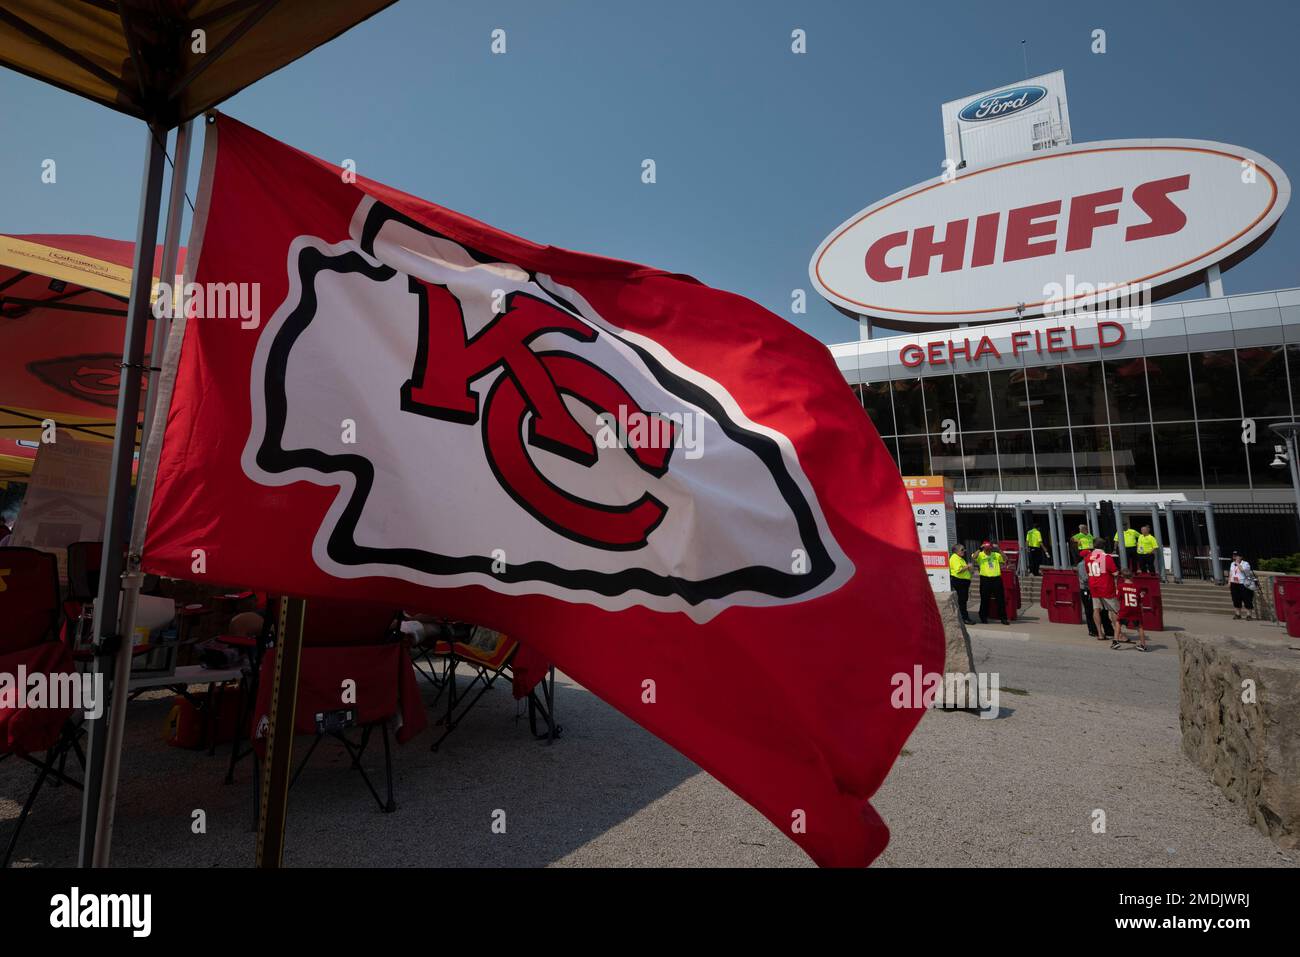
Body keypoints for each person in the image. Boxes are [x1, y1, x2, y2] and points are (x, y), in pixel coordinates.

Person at [1085, 545, 1122, 643]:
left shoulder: (1088, 556)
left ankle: (1100, 633)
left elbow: (1089, 571)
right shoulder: (1105, 556)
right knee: (1114, 610)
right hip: (1105, 586)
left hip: (1093, 585)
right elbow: (1114, 573)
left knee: (1096, 609)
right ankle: (1119, 635)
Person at [1077, 547, 1114, 639]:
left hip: (1094, 588)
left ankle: (1108, 630)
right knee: (1090, 611)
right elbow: (1085, 578)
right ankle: (1093, 630)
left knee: (1102, 611)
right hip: (1087, 590)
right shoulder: (1082, 564)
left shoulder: (1092, 562)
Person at [1113, 571, 1149, 651]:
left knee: (1118, 622)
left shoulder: (1120, 587)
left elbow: (1118, 598)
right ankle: (1143, 644)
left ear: (1123, 577)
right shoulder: (1137, 587)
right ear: (1132, 577)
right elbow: (1140, 600)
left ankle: (1115, 641)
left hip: (1125, 608)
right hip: (1135, 608)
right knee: (1139, 626)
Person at [975, 540, 1008, 625]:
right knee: (985, 599)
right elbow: (974, 557)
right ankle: (983, 617)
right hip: (985, 579)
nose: (988, 550)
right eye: (986, 549)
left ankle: (1003, 618)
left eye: (989, 548)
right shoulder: (981, 555)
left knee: (1000, 599)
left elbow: (1005, 558)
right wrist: (980, 548)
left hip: (996, 579)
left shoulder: (996, 555)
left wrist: (999, 549)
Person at [948, 543, 975, 624]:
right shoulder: (955, 557)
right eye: (962, 550)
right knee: (962, 601)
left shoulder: (960, 558)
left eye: (964, 549)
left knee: (963, 600)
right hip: (959, 581)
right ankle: (964, 618)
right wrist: (968, 566)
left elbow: (966, 570)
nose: (964, 551)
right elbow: (958, 570)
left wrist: (970, 569)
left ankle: (964, 617)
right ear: (956, 551)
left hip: (964, 582)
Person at [1228, 550, 1258, 620]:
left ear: (1241, 557)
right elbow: (1231, 573)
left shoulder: (1245, 564)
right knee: (1236, 599)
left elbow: (1243, 570)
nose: (1234, 557)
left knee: (1247, 599)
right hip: (1234, 583)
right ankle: (1238, 614)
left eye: (1236, 556)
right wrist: (1229, 581)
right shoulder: (1232, 564)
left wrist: (1238, 563)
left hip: (1243, 584)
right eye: (1234, 556)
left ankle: (1249, 615)